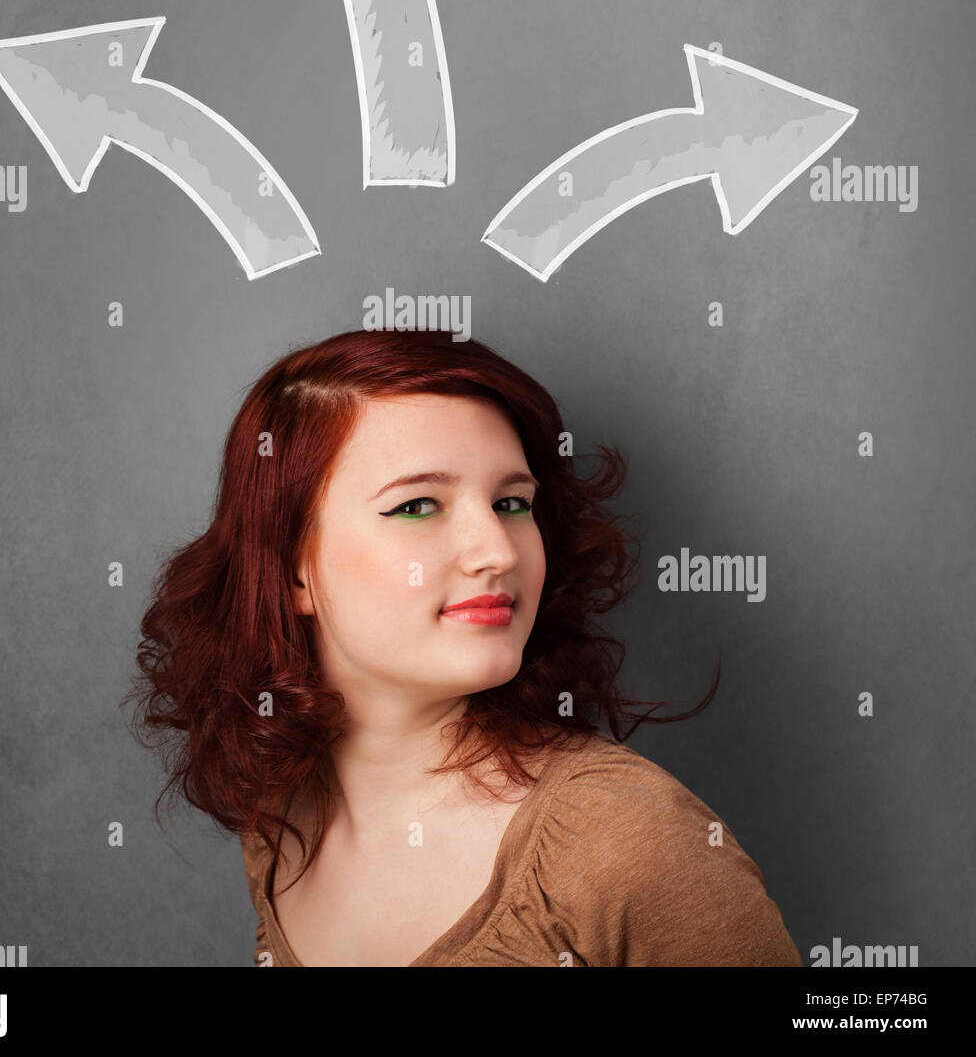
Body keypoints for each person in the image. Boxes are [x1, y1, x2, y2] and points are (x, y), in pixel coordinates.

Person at [128, 327, 800, 967]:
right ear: (290, 568)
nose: (497, 550)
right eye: (418, 505)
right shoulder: (280, 817)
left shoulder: (624, 838)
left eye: (512, 503)